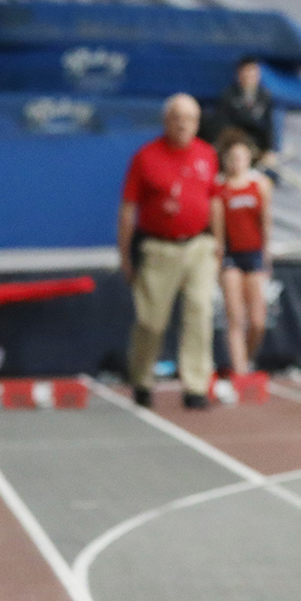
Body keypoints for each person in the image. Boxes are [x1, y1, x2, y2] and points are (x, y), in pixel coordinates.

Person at [119, 94, 221, 410]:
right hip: (159, 247)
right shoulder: (146, 157)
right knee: (151, 321)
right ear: (166, 120)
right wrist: (125, 255)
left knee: (200, 312)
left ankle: (195, 385)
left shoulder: (207, 154)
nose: (183, 123)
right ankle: (141, 378)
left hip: (200, 246)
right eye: (177, 116)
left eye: (191, 118)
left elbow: (215, 201)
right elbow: (128, 209)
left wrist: (219, 243)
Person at [213, 129, 272, 380]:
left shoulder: (260, 186)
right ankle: (239, 372)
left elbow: (265, 224)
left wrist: (267, 258)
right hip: (231, 257)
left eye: (242, 157)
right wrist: (217, 261)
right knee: (235, 317)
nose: (237, 162)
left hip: (254, 255)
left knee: (257, 321)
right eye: (232, 157)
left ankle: (246, 360)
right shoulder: (219, 188)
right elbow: (216, 229)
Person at [209, 57, 277, 165]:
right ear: (239, 74)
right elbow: (222, 126)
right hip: (235, 146)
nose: (249, 76)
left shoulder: (265, 98)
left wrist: (269, 150)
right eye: (246, 72)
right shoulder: (228, 96)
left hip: (257, 148)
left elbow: (268, 127)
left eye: (252, 72)